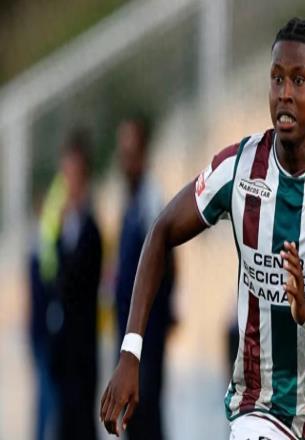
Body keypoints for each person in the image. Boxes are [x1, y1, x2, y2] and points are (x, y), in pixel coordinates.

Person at [101, 18, 305, 440]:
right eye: (277, 79)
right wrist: (131, 350)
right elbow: (161, 231)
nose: (285, 93)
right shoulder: (240, 168)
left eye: (299, 80)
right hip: (257, 412)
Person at [114, 117, 176, 440]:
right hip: (129, 331)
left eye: (130, 152)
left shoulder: (151, 198)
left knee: (146, 412)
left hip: (147, 335)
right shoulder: (131, 198)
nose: (125, 160)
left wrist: (161, 318)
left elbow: (166, 259)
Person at [46, 130, 102, 440]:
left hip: (81, 353)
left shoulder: (89, 229)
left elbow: (77, 284)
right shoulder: (63, 227)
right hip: (64, 350)